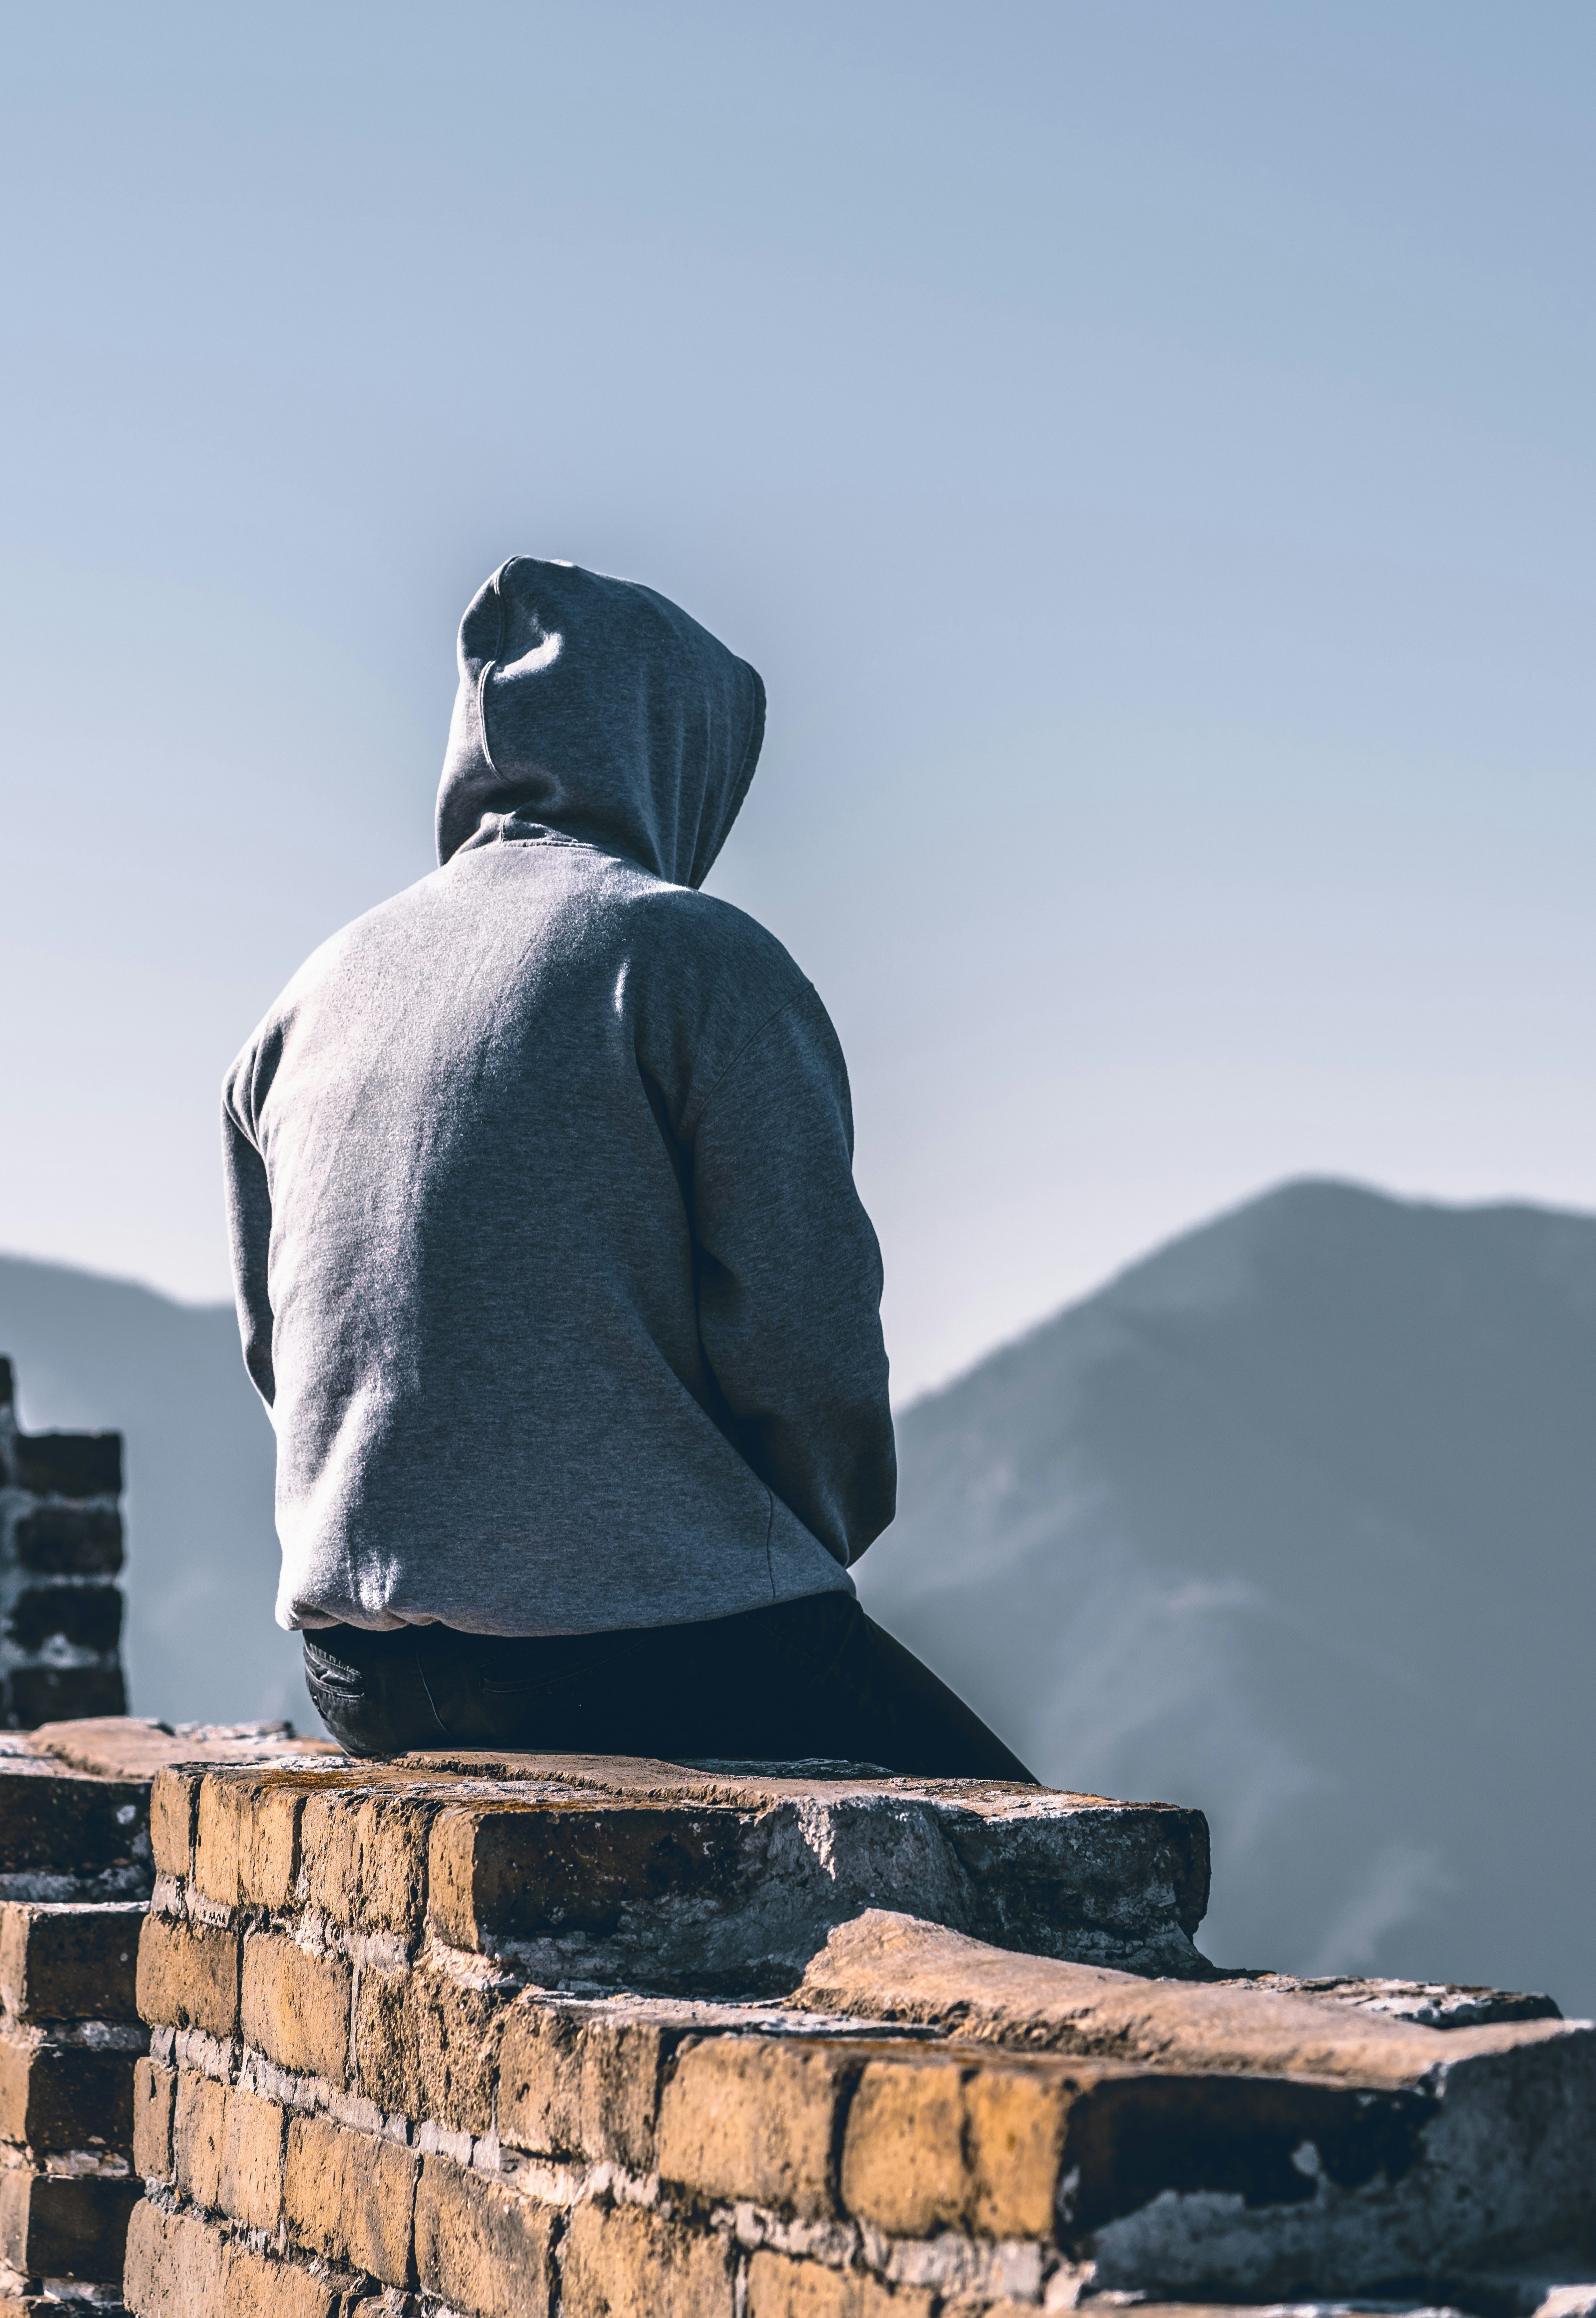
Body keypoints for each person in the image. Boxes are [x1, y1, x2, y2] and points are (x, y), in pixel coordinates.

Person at [222, 556, 1033, 1782]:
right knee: (1041, 1879)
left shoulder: (302, 1002)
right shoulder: (689, 959)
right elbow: (807, 1337)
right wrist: (765, 1554)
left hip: (362, 1674)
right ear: (675, 749)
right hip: (657, 1654)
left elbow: (280, 1354)